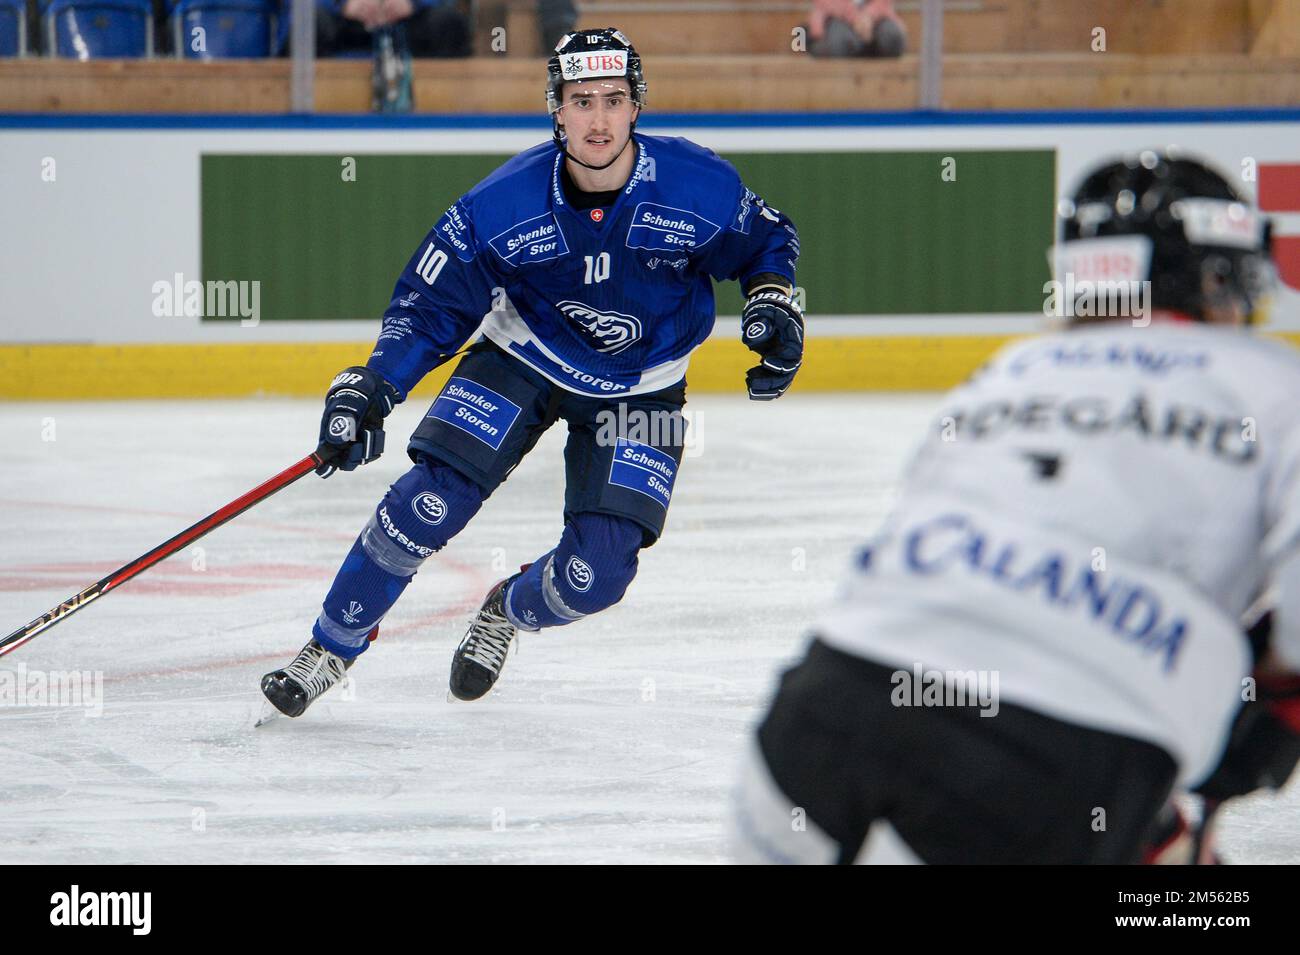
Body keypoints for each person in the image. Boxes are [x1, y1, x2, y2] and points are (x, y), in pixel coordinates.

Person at [732, 152, 1300, 864]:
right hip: (1056, 758)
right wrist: (1276, 705)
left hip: (819, 714)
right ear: (1225, 276)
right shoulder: (1275, 384)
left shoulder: (1009, 370)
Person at [259, 28, 803, 715]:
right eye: (582, 101)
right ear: (557, 110)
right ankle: (329, 647)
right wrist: (375, 383)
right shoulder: (502, 204)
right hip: (525, 359)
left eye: (613, 99)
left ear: (637, 107)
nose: (599, 119)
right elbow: (430, 306)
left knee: (596, 575)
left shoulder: (699, 184)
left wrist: (772, 299)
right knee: (422, 505)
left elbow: (766, 239)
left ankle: (505, 610)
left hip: (645, 386)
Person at [314, 0, 469, 58]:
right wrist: (341, 5)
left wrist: (413, 4)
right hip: (345, 23)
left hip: (408, 22)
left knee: (447, 22)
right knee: (312, 24)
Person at [807, 0, 905, 59]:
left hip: (877, 19)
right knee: (839, 41)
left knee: (892, 39)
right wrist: (855, 18)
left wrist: (869, 16)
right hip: (836, 18)